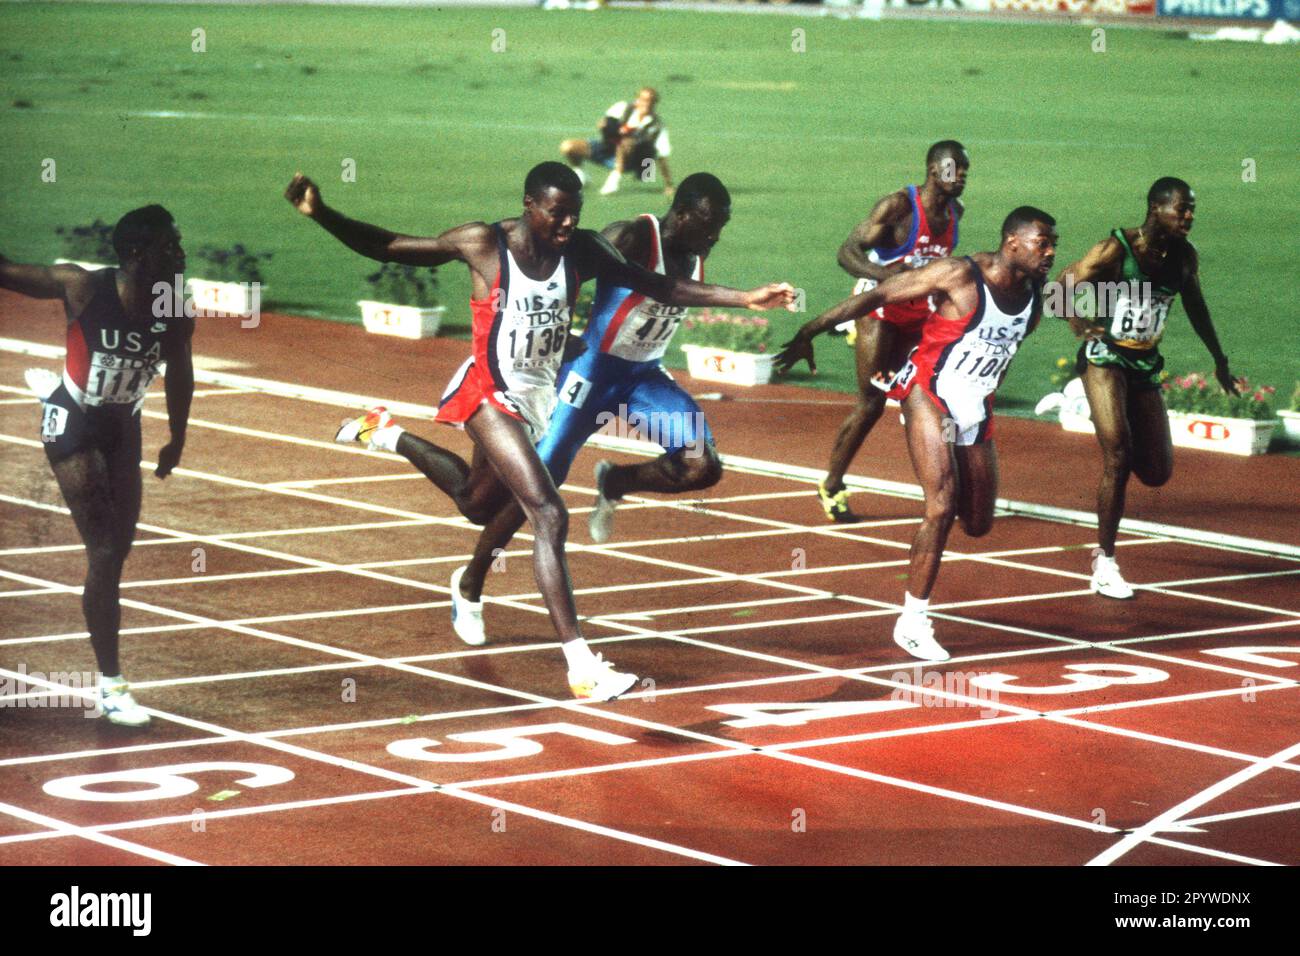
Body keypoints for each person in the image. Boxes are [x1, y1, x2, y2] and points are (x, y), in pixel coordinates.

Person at [284, 163, 792, 700]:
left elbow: (656, 284)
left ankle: (386, 435)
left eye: (575, 212)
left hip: (535, 397)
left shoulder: (584, 250)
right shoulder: (483, 242)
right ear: (530, 205)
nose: (568, 223)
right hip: (486, 390)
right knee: (548, 511)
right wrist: (322, 214)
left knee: (475, 503)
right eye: (557, 213)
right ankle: (581, 666)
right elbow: (389, 245)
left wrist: (744, 297)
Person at [446, 172, 745, 644]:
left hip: (642, 377)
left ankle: (616, 480)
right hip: (589, 375)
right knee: (538, 492)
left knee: (701, 464)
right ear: (682, 214)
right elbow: (557, 268)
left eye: (722, 227)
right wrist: (556, 334)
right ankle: (470, 583)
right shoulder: (629, 235)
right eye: (710, 224)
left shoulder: (697, 250)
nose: (716, 236)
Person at [777, 207, 1057, 662]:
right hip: (929, 392)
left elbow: (1003, 351)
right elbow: (879, 295)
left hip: (974, 407)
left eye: (1052, 244)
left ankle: (944, 477)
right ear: (1012, 242)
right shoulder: (960, 274)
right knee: (941, 505)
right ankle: (913, 620)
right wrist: (811, 328)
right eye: (1042, 242)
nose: (1050, 252)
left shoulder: (1034, 296)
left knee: (979, 523)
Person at [0, 206, 195, 726]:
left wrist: (177, 435)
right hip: (75, 418)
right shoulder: (81, 287)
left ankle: (110, 681)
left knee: (120, 550)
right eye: (170, 245)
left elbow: (181, 372)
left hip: (123, 426)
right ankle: (111, 686)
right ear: (137, 253)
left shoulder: (172, 304)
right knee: (105, 549)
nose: (181, 253)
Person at [1056, 177, 1236, 599]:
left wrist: (1220, 359)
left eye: (1192, 208)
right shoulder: (1115, 248)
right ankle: (1105, 561)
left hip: (1143, 363)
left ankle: (1110, 423)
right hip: (1105, 358)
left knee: (1157, 472)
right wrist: (1080, 323)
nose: (1190, 216)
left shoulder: (1183, 257)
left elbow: (1196, 306)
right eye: (1182, 209)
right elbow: (1060, 287)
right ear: (1157, 208)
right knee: (1117, 454)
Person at [809, 140, 968, 523]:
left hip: (919, 317)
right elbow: (846, 253)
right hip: (879, 313)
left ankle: (946, 490)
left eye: (965, 171)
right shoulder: (897, 207)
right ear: (933, 171)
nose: (961, 178)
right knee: (871, 404)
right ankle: (831, 485)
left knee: (932, 400)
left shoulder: (955, 212)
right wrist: (885, 277)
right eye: (954, 170)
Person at [561, 87, 674, 198]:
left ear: (655, 104)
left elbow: (662, 157)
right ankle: (581, 174)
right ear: (637, 99)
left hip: (632, 161)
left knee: (626, 142)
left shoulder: (657, 126)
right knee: (568, 147)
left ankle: (613, 180)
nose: (647, 104)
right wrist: (604, 126)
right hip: (607, 149)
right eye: (644, 100)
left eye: (651, 101)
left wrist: (669, 185)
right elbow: (606, 124)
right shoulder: (622, 108)